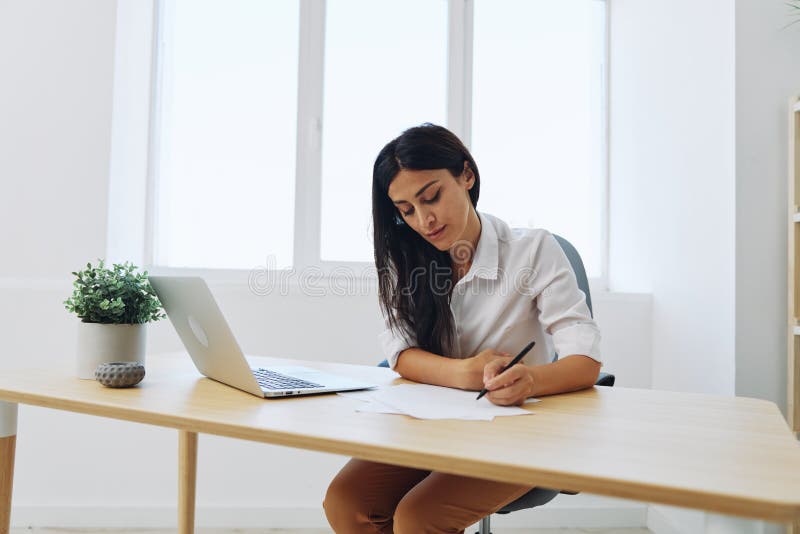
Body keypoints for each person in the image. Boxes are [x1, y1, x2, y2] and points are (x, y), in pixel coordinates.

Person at [323, 123, 602, 534]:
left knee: (419, 518)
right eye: (405, 210)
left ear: (467, 176)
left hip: (519, 428)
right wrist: (467, 372)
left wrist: (530, 380)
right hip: (434, 421)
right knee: (348, 503)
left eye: (431, 196)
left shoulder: (534, 250)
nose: (424, 219)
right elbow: (401, 353)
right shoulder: (406, 257)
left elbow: (586, 361)